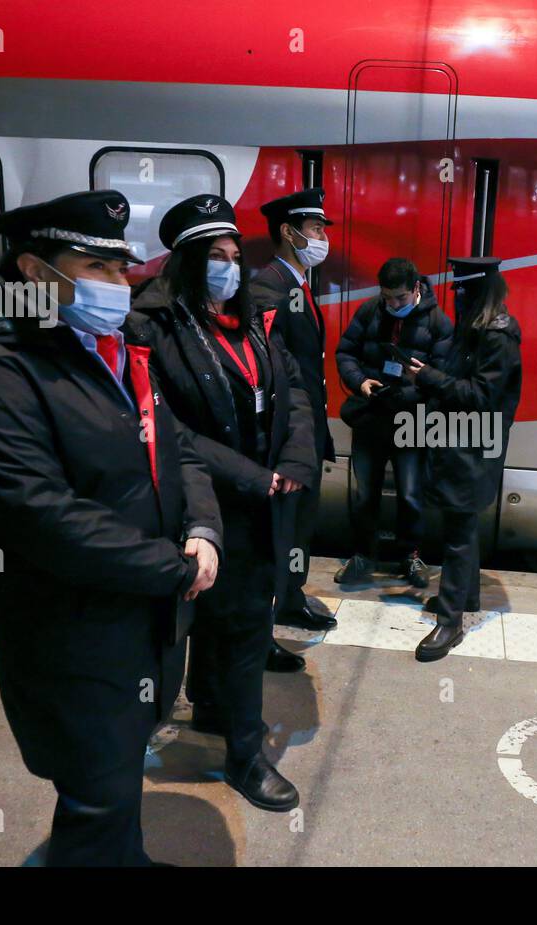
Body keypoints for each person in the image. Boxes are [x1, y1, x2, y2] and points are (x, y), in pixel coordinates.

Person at [0, 190, 223, 865]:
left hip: (141, 621)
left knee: (117, 778)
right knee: (98, 787)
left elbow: (178, 449)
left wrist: (204, 528)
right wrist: (176, 568)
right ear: (37, 274)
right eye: (98, 267)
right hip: (71, 635)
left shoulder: (120, 349)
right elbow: (41, 516)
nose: (119, 285)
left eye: (122, 269)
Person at [128, 194, 315, 811]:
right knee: (239, 628)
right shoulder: (154, 327)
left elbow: (294, 395)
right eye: (216, 256)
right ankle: (244, 755)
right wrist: (251, 477)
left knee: (233, 623)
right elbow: (170, 429)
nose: (230, 268)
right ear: (186, 261)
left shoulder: (256, 316)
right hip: (205, 504)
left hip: (264, 496)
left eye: (235, 255)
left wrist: (292, 464)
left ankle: (213, 710)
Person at [408, 257, 522, 663]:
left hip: (476, 445)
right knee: (463, 522)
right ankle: (466, 597)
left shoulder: (496, 336)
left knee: (457, 529)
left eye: (460, 290)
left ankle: (451, 621)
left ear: (475, 293)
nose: (455, 297)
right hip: (463, 443)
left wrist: (429, 379)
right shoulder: (478, 327)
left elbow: (479, 398)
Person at [249, 187, 338, 632]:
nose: (323, 237)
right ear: (288, 232)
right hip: (290, 435)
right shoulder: (269, 287)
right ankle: (274, 605)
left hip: (307, 429)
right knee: (284, 527)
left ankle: (291, 596)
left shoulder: (296, 283)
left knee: (301, 523)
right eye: (316, 228)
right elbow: (272, 372)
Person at [334, 257, 452, 586]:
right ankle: (362, 555)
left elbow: (443, 380)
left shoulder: (439, 323)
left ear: (416, 288)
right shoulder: (370, 311)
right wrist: (360, 382)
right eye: (387, 297)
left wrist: (413, 391)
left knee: (412, 494)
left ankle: (411, 557)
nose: (392, 304)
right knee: (364, 494)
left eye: (399, 297)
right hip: (371, 415)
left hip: (411, 422)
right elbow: (345, 352)